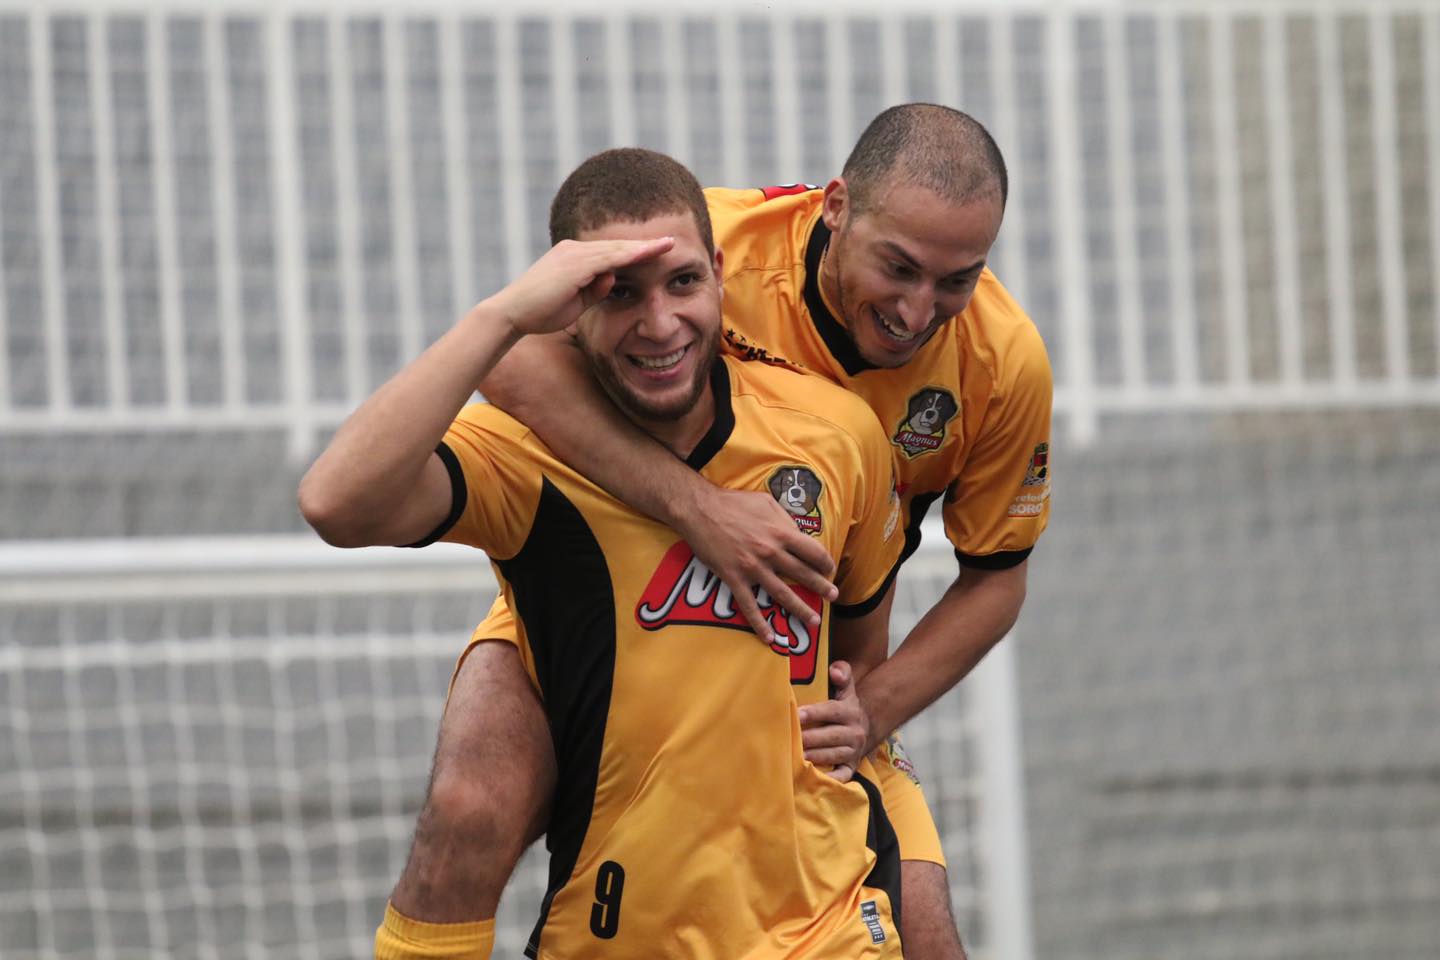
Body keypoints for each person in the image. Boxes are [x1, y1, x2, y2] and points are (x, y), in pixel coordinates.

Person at [466, 103, 1055, 958]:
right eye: (899, 267)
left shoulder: (1005, 363)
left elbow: (998, 574)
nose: (919, 309)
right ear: (837, 205)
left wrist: (871, 708)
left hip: (805, 667)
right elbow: (506, 353)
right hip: (604, 617)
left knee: (925, 924)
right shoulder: (704, 247)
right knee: (465, 806)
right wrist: (694, 505)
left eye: (957, 279)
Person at [299, 148, 911, 958]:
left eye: (683, 283)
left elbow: (859, 651)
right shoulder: (525, 460)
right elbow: (335, 502)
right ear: (568, 305)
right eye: (619, 293)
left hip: (825, 930)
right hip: (617, 934)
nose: (660, 325)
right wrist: (501, 317)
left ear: (720, 276)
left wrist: (857, 716)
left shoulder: (836, 435)